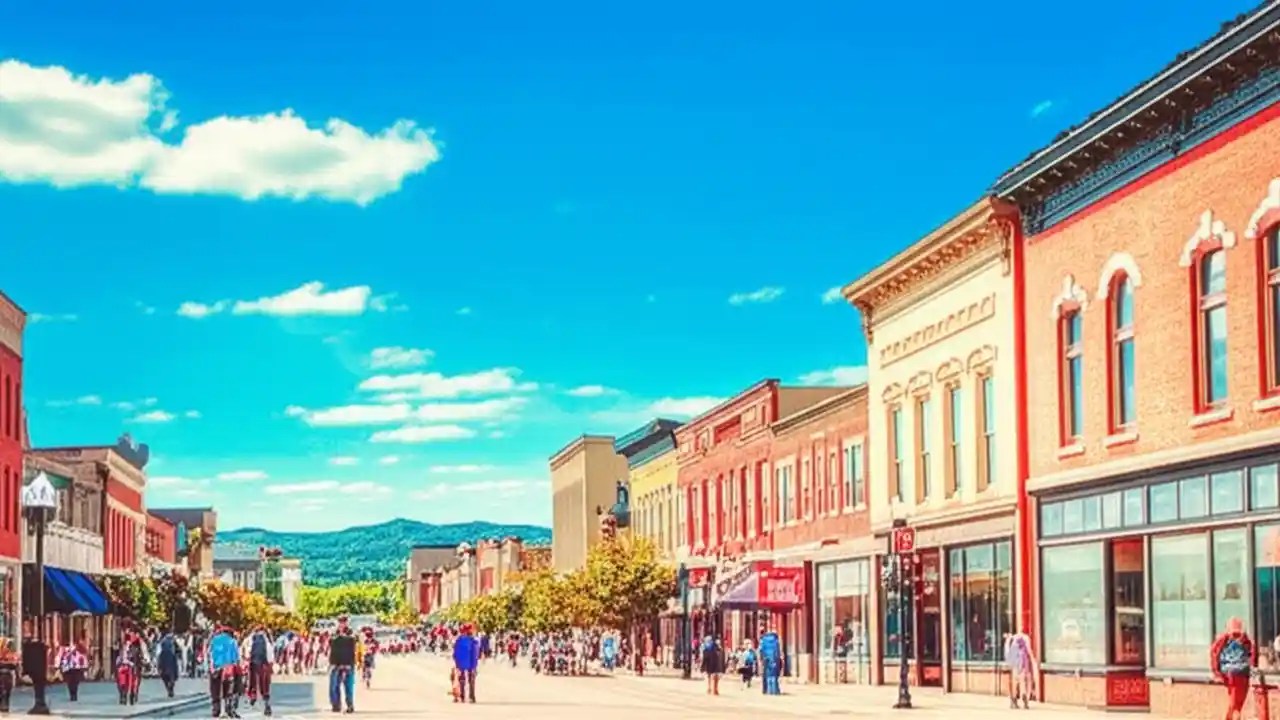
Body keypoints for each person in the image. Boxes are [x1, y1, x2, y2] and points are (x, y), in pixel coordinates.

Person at [1211, 617, 1256, 720]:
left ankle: (1235, 713)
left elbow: (1252, 654)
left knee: (1237, 696)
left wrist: (1216, 671)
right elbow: (1214, 652)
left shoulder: (1243, 640)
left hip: (1235, 671)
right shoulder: (1225, 640)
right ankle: (1234, 714)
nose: (1235, 636)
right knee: (1236, 697)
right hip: (1235, 671)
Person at [208, 625, 243, 719]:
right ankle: (228, 709)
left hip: (215, 668)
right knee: (228, 691)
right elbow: (236, 658)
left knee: (215, 690)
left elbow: (209, 654)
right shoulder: (232, 641)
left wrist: (211, 667)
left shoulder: (214, 640)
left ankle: (216, 710)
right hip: (228, 669)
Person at [243, 625, 275, 717]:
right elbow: (270, 654)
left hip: (253, 663)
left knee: (252, 681)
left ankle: (252, 696)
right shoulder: (266, 640)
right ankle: (266, 702)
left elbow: (246, 652)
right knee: (264, 684)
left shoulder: (250, 638)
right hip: (264, 664)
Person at [328, 616, 358, 714]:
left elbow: (354, 643)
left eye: (344, 621)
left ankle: (350, 705)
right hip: (335, 662)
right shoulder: (333, 633)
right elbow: (330, 643)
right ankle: (336, 705)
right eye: (340, 621)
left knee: (348, 686)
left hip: (348, 663)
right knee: (334, 686)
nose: (342, 623)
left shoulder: (352, 633)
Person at [1004, 630, 1038, 709]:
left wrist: (1009, 661)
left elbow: (1007, 650)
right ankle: (1024, 699)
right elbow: (1029, 650)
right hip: (1022, 661)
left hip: (1014, 661)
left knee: (1015, 681)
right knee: (1023, 680)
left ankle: (1014, 700)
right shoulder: (1026, 638)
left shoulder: (1013, 638)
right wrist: (1033, 660)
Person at [453, 623, 479, 703]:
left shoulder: (458, 641)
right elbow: (475, 655)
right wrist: (474, 666)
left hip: (461, 664)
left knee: (461, 680)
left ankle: (462, 696)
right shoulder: (473, 641)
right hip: (471, 664)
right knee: (471, 681)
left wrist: (457, 664)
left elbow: (455, 654)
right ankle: (471, 697)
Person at [759, 627, 782, 696]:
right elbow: (778, 652)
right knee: (774, 675)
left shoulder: (764, 640)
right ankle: (774, 691)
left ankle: (768, 690)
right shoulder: (776, 641)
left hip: (766, 659)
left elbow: (761, 650)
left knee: (767, 675)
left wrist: (761, 659)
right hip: (775, 659)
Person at [157, 631, 180, 698]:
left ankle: (169, 688)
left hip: (165, 659)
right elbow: (178, 650)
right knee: (170, 676)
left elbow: (158, 653)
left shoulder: (162, 641)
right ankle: (170, 688)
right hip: (169, 659)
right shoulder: (171, 641)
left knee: (165, 676)